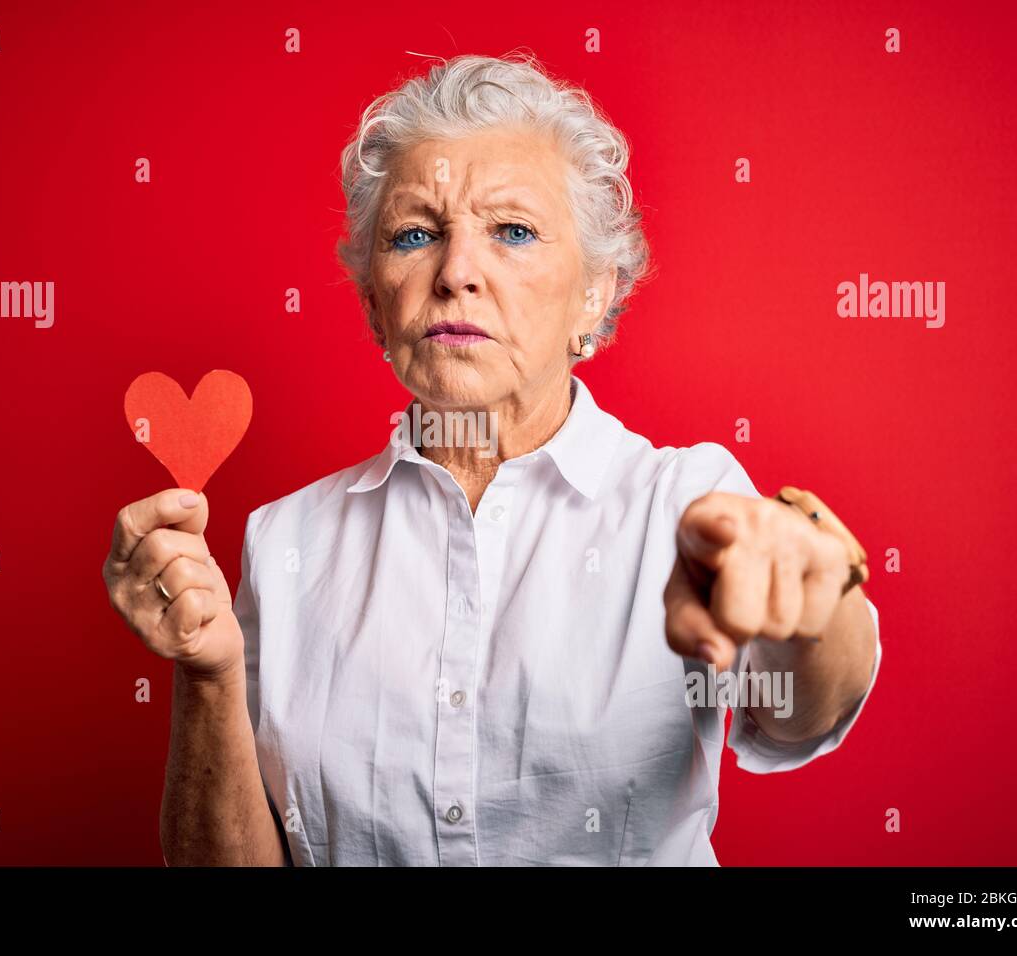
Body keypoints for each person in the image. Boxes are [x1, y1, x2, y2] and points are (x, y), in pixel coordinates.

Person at [102, 52, 880, 866]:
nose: (457, 273)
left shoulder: (688, 504)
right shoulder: (283, 542)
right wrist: (210, 675)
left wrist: (816, 604)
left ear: (595, 291)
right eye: (415, 235)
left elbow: (803, 712)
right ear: (374, 303)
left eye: (512, 231)